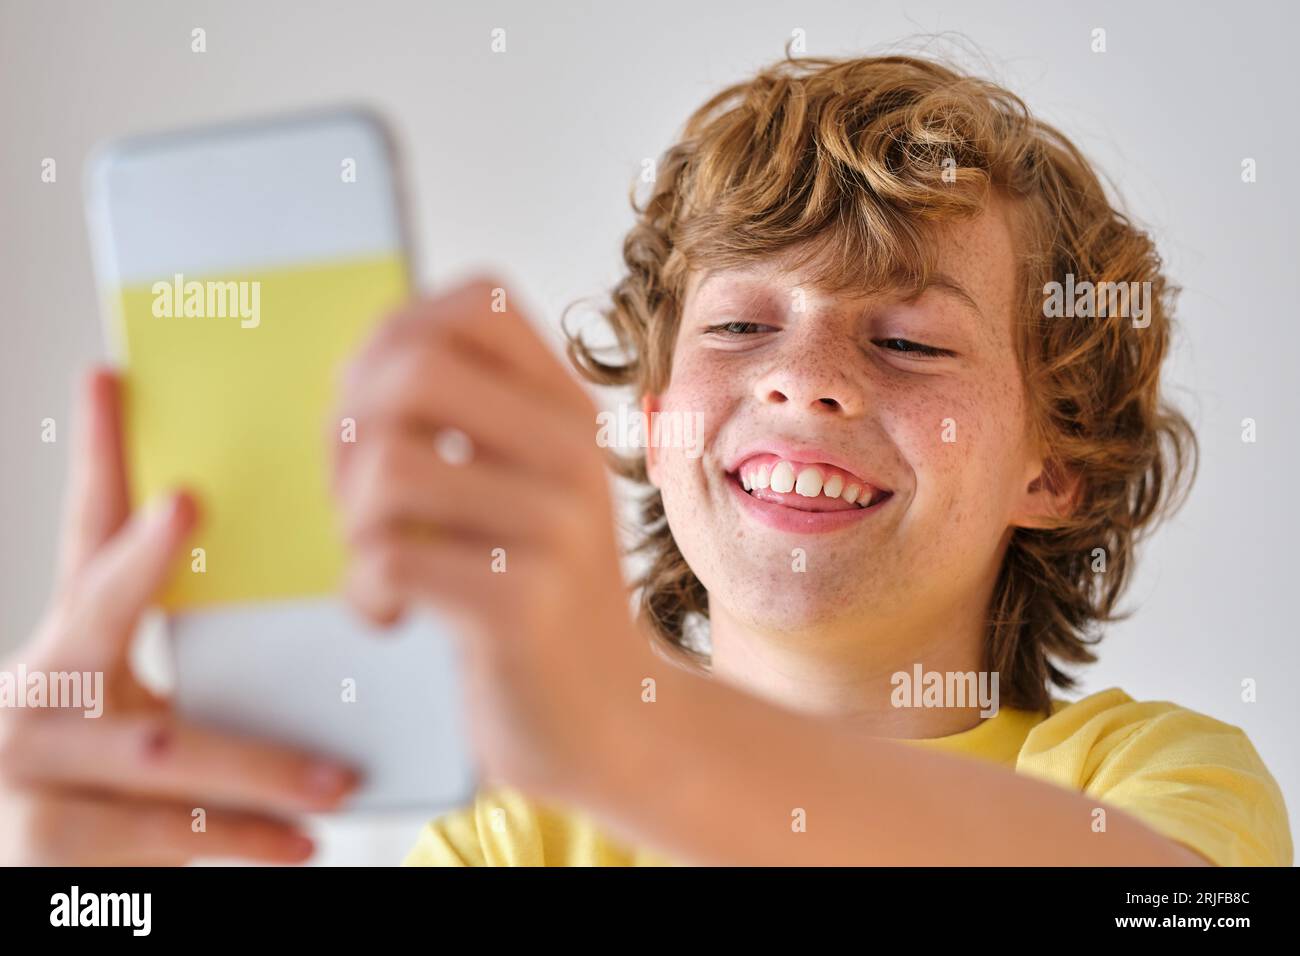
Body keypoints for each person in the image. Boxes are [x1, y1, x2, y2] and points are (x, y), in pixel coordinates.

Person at [1, 52, 1289, 866]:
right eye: (739, 327)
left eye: (906, 339)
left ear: (1052, 472)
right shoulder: (515, 839)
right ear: (661, 414)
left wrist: (624, 729)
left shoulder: (1160, 785)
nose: (803, 378)